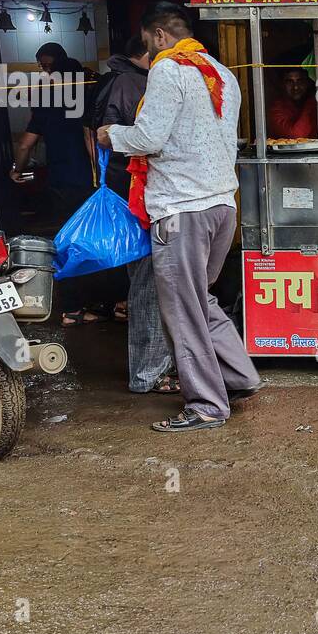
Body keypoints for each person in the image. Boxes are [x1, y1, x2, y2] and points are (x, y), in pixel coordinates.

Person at [97, 2, 260, 432]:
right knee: (200, 299)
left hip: (181, 210)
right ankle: (239, 377)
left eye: (149, 43)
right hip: (222, 206)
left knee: (183, 310)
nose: (148, 53)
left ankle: (206, 404)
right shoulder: (220, 72)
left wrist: (111, 134)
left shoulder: (169, 70)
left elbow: (149, 137)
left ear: (159, 35)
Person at [91, 34, 177, 396]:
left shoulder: (120, 79)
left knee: (153, 285)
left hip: (136, 196)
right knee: (148, 286)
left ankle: (157, 366)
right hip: (137, 199)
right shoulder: (129, 83)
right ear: (151, 47)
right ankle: (147, 373)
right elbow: (105, 135)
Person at [10, 42, 111, 326]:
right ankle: (94, 304)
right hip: (86, 184)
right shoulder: (87, 98)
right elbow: (91, 142)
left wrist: (17, 169)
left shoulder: (46, 101)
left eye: (48, 67)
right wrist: (104, 179)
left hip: (60, 183)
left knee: (66, 244)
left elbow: (25, 143)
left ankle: (72, 307)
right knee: (95, 241)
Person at [267, 67, 318, 139]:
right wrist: (311, 103)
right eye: (289, 81)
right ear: (282, 85)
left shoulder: (315, 106)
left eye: (300, 81)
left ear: (307, 83)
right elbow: (296, 136)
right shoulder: (277, 108)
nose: (295, 87)